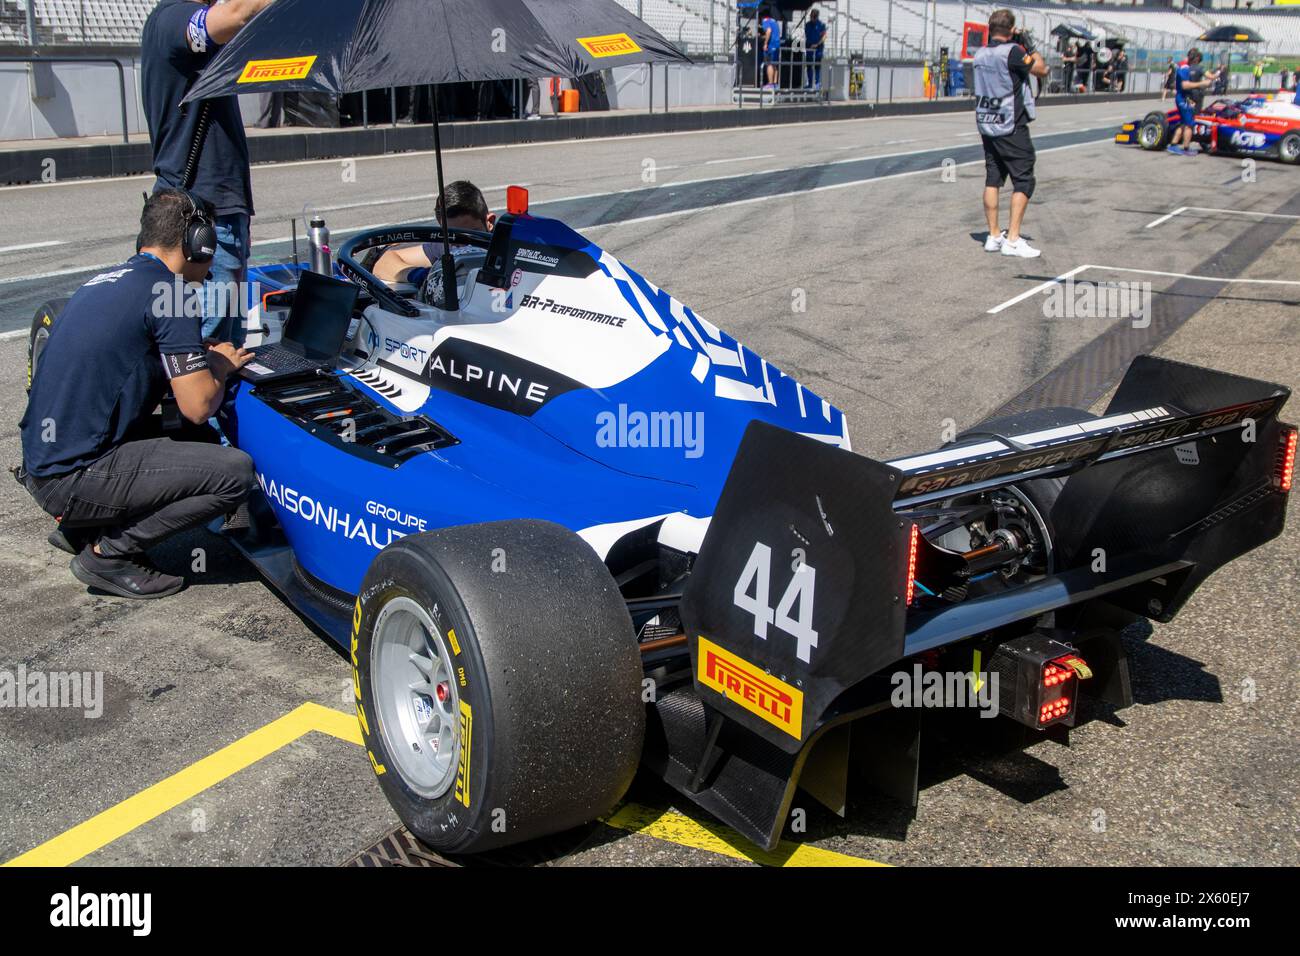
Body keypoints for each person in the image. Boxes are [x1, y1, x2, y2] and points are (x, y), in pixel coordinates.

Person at [16, 189, 256, 599]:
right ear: (197, 243)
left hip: (45, 466)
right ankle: (108, 554)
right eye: (211, 245)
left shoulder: (107, 280)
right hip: (73, 478)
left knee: (192, 440)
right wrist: (218, 366)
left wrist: (196, 356)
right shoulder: (174, 294)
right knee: (233, 472)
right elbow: (198, 406)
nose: (212, 260)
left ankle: (82, 528)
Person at [141, 0, 276, 346]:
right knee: (201, 345)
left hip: (219, 211)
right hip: (198, 216)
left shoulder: (195, 33)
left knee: (224, 345)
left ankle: (209, 398)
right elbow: (237, 12)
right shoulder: (171, 17)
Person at [974, 9, 1049, 259]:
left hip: (987, 121)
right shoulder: (1014, 52)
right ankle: (1013, 239)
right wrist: (1028, 44)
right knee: (1024, 178)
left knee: (993, 178)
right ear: (1011, 29)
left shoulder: (980, 53)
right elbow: (1041, 69)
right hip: (1010, 123)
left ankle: (994, 235)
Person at [371, 181, 496, 307]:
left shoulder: (510, 247)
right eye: (452, 236)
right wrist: (425, 276)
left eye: (471, 235)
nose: (462, 245)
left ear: (490, 222)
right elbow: (383, 263)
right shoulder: (445, 245)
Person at [1169, 49, 1217, 155]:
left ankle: (1173, 145)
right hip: (1184, 98)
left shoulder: (1184, 66)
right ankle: (1185, 149)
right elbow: (1184, 85)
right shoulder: (1185, 68)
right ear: (1196, 58)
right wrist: (1202, 83)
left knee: (1184, 122)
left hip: (1184, 97)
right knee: (1189, 124)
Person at [803, 9, 826, 92]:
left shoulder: (821, 25)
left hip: (818, 49)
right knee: (809, 65)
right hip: (809, 48)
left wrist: (817, 44)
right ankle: (809, 83)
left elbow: (824, 37)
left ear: (816, 17)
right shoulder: (807, 25)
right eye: (811, 17)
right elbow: (806, 35)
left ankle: (817, 83)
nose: (812, 18)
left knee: (817, 66)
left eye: (813, 17)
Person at [760, 9, 781, 91]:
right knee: (775, 64)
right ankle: (775, 84)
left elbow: (768, 31)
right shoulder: (774, 21)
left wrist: (765, 43)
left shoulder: (765, 21)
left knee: (769, 64)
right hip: (776, 45)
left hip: (770, 45)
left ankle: (770, 84)